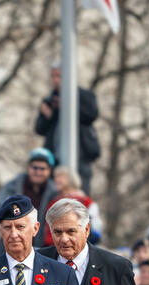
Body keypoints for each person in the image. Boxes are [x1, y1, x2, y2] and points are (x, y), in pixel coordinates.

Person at [34, 63, 101, 192]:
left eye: (59, 76)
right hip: (55, 158)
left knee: (80, 193)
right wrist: (48, 115)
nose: (56, 80)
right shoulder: (49, 100)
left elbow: (91, 114)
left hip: (80, 156)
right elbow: (39, 129)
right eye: (53, 76)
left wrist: (67, 105)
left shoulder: (84, 95)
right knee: (54, 195)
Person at [0, 149, 58, 246]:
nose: (38, 172)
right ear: (28, 167)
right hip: (12, 246)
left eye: (42, 169)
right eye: (35, 168)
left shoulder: (55, 192)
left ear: (49, 171)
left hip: (42, 248)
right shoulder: (13, 187)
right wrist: (9, 219)